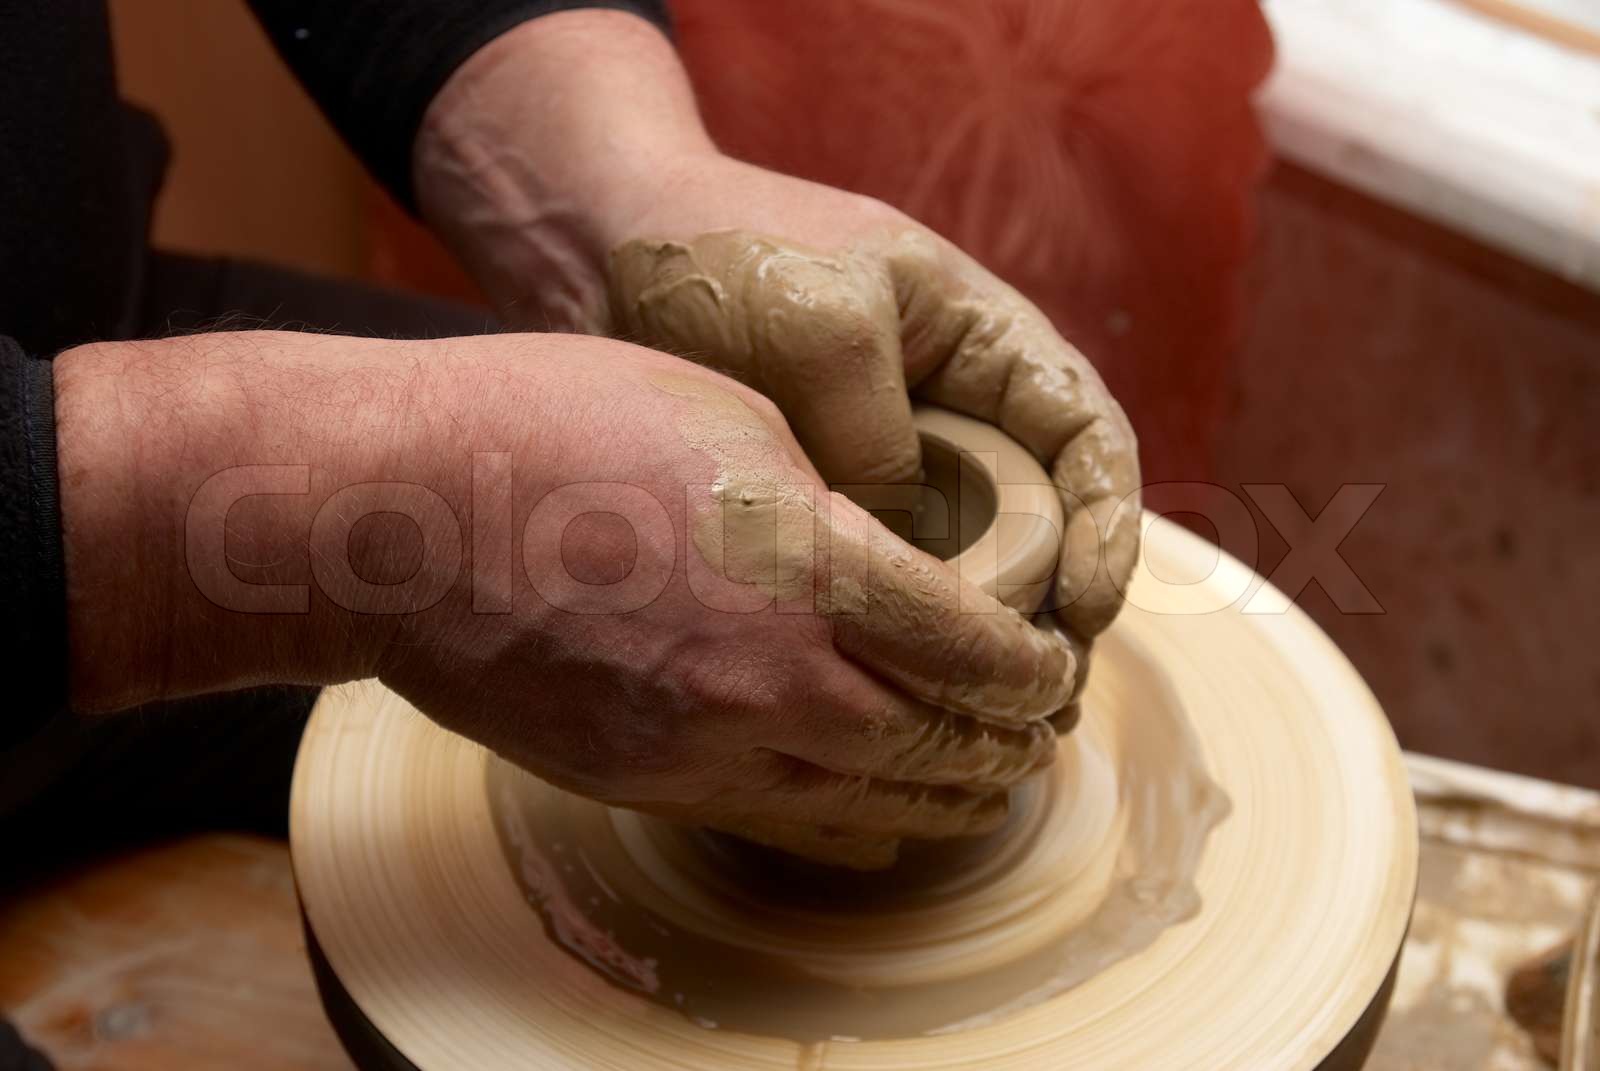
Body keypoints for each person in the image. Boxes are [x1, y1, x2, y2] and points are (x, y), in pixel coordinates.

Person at [0, 2, 1139, 1063]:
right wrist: (386, 521)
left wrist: (621, 183)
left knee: (660, 481)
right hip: (42, 483)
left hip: (74, 330)